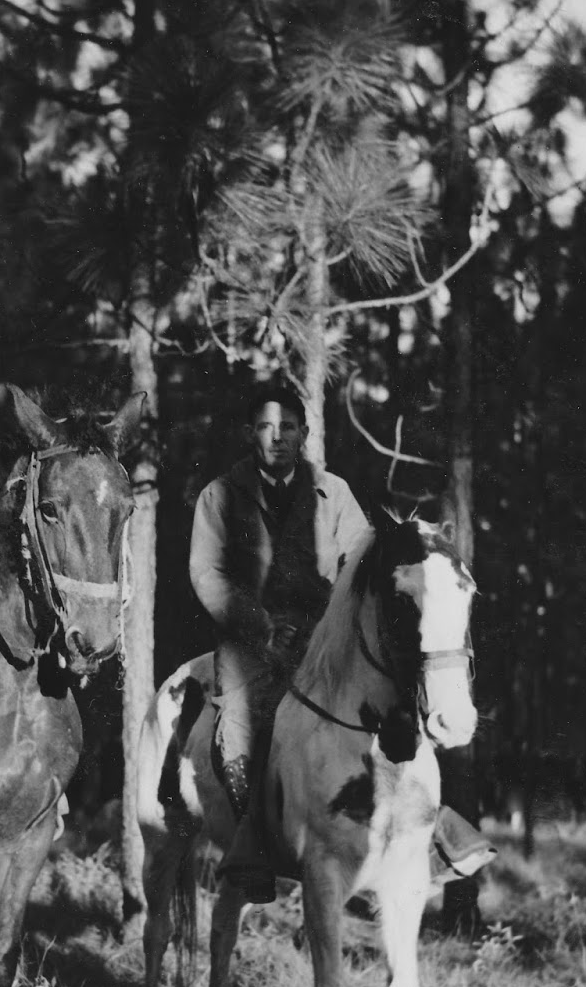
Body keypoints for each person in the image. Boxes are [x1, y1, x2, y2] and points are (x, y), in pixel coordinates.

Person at [194, 383, 493, 904]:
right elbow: (207, 573)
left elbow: (362, 562)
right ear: (249, 434)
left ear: (305, 434)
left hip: (321, 639)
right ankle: (252, 847)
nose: (277, 438)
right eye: (265, 427)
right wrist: (259, 623)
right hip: (251, 643)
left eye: (288, 427)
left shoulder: (334, 493)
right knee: (241, 726)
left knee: (394, 705)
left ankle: (430, 831)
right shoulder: (220, 495)